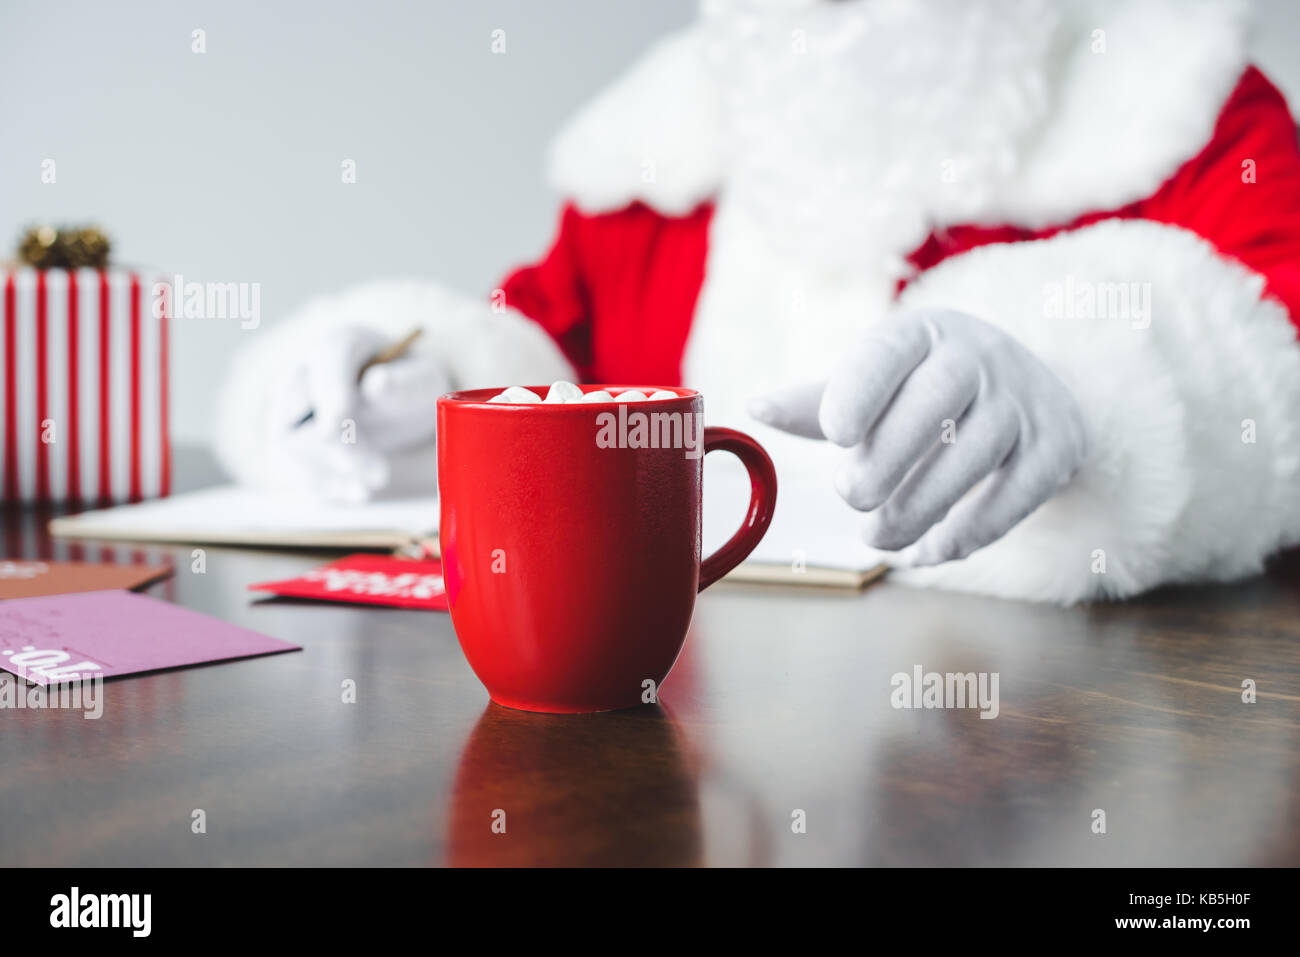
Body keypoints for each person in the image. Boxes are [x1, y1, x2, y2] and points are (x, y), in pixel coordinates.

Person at [215, 0, 1300, 603]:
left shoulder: (1170, 104)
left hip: (1030, 757)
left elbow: (1275, 343)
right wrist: (413, 387)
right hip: (680, 744)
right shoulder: (658, 147)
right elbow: (548, 336)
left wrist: (1102, 390)